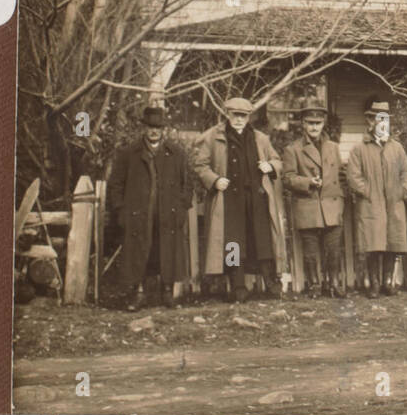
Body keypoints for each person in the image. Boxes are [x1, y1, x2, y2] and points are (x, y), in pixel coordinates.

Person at [193, 96, 287, 302]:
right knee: (233, 242)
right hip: (229, 199)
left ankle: (271, 283)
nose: (239, 120)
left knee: (262, 239)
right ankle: (237, 285)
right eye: (235, 115)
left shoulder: (260, 138)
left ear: (248, 117)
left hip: (256, 197)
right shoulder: (213, 137)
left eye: (243, 116)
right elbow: (200, 165)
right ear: (227, 114)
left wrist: (270, 166)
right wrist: (215, 180)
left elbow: (278, 161)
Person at [106, 106, 193, 311]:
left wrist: (181, 208)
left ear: (164, 129)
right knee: (139, 254)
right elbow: (116, 185)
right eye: (150, 127)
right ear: (143, 128)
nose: (154, 131)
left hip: (167, 215)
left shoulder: (177, 154)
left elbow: (187, 185)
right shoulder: (129, 153)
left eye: (158, 127)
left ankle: (167, 293)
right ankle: (138, 294)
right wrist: (120, 211)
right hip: (139, 216)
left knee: (165, 252)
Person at [345, 98, 407, 297]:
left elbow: (406, 175)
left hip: (393, 203)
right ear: (370, 122)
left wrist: (402, 192)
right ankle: (373, 284)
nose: (381, 124)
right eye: (377, 119)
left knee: (393, 243)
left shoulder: (397, 148)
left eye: (385, 120)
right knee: (373, 245)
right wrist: (368, 192)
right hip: (371, 204)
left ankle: (388, 282)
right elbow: (353, 177)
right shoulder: (360, 149)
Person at [281, 103, 345, 298]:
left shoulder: (333, 147)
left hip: (331, 206)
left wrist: (342, 196)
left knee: (333, 249)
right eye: (310, 123)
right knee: (310, 251)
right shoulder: (293, 149)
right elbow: (287, 178)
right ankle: (314, 285)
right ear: (303, 124)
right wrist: (308, 182)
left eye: (318, 123)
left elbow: (341, 174)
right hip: (307, 205)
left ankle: (333, 283)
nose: (314, 127)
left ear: (323, 123)